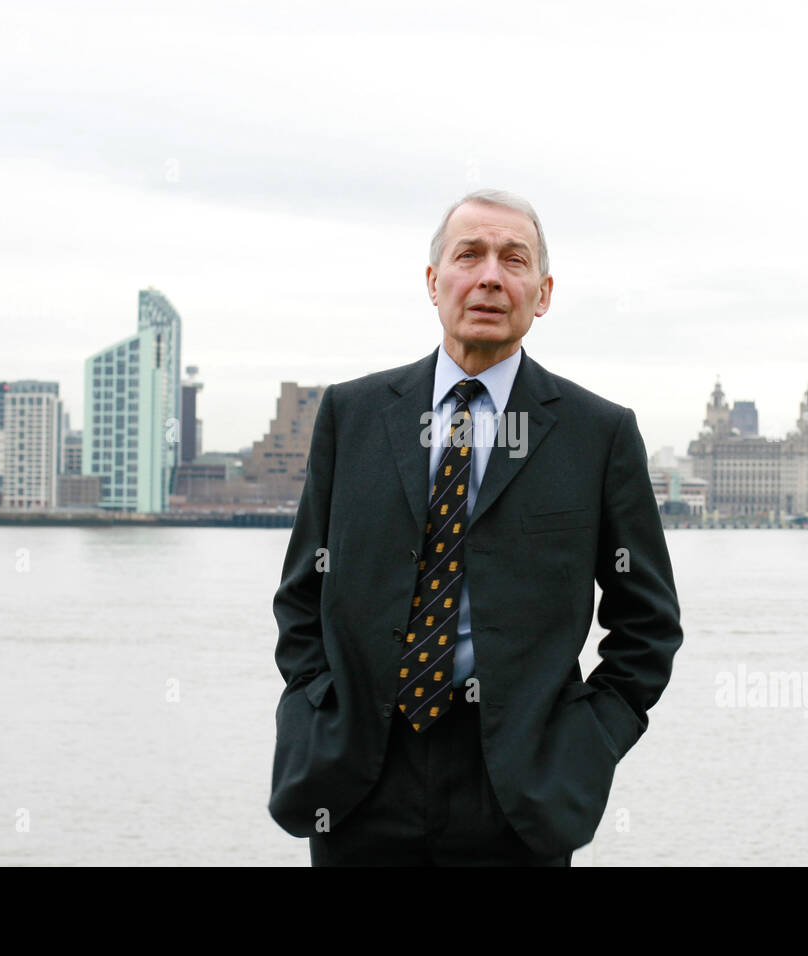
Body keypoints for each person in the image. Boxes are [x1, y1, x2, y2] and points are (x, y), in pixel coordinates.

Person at [269, 188, 683, 866]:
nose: (491, 275)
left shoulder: (598, 434)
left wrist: (586, 741)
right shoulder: (354, 415)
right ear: (434, 283)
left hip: (519, 787)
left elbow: (649, 626)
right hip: (358, 775)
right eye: (470, 255)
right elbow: (300, 596)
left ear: (542, 293)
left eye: (514, 260)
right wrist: (317, 702)